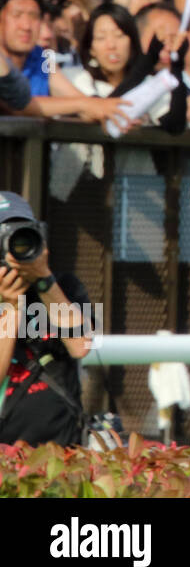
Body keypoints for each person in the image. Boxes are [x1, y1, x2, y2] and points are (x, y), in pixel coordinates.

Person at [0, 191, 93, 447]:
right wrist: (11, 307)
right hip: (6, 460)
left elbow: (81, 346)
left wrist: (44, 280)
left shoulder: (64, 287)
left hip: (63, 456)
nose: (13, 246)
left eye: (20, 234)